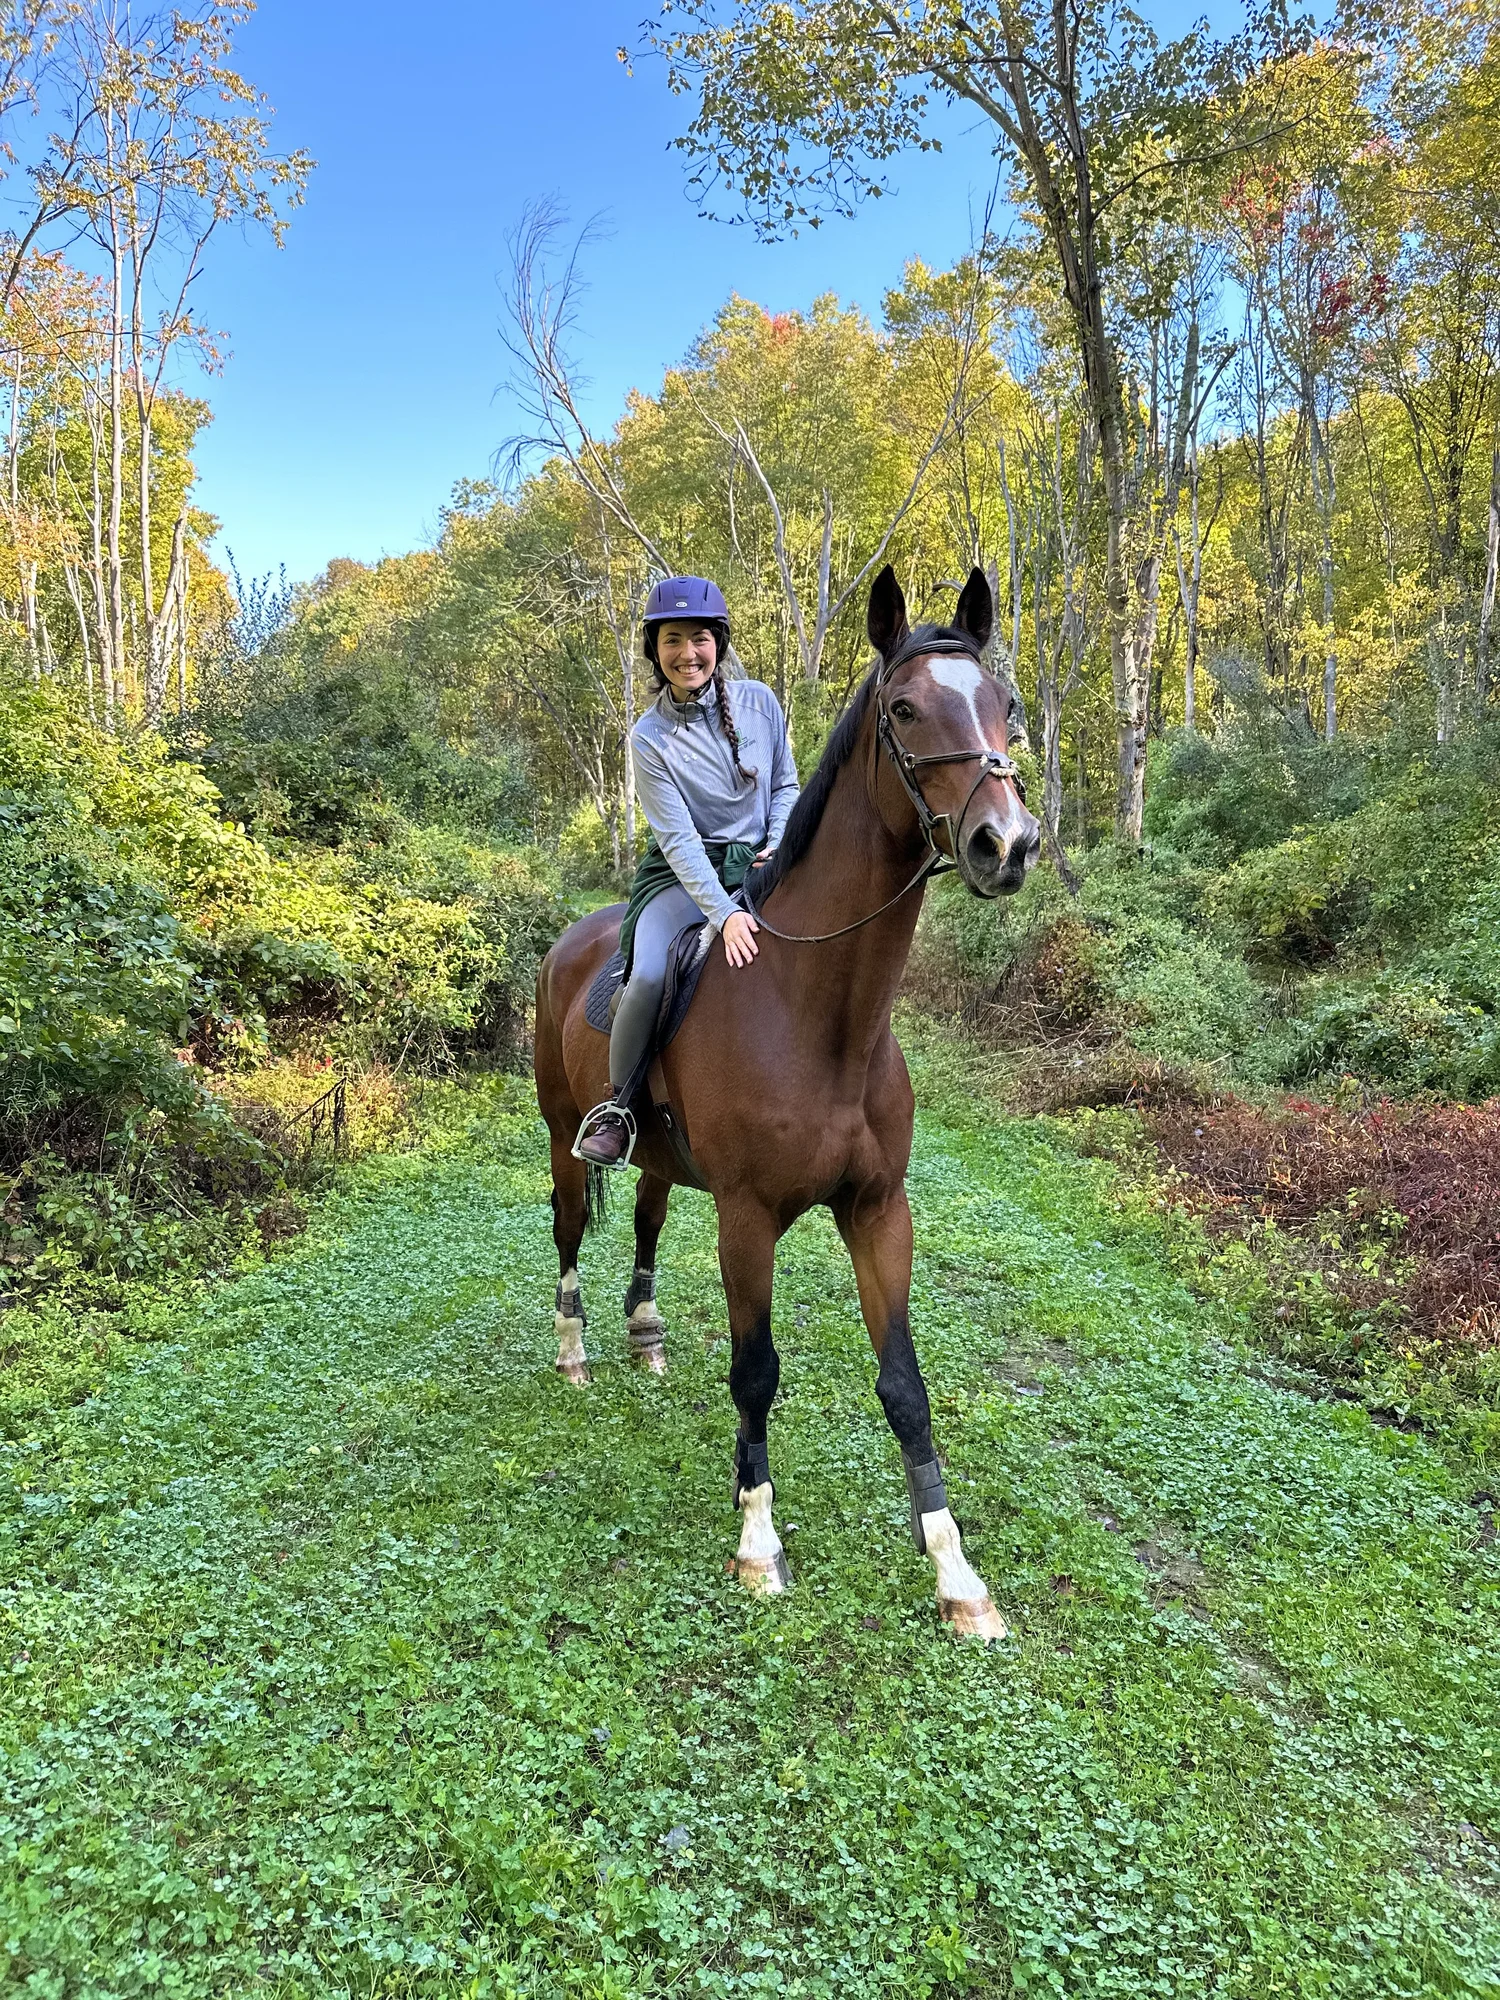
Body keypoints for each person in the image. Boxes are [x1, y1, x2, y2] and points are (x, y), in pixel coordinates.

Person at [574, 576, 800, 1166]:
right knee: (648, 973)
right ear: (655, 650)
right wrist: (723, 915)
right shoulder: (649, 739)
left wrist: (776, 846)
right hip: (683, 878)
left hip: (761, 864)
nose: (687, 653)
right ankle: (618, 1108)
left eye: (699, 637)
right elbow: (677, 842)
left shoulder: (762, 703)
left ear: (718, 643)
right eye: (672, 639)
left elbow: (786, 786)